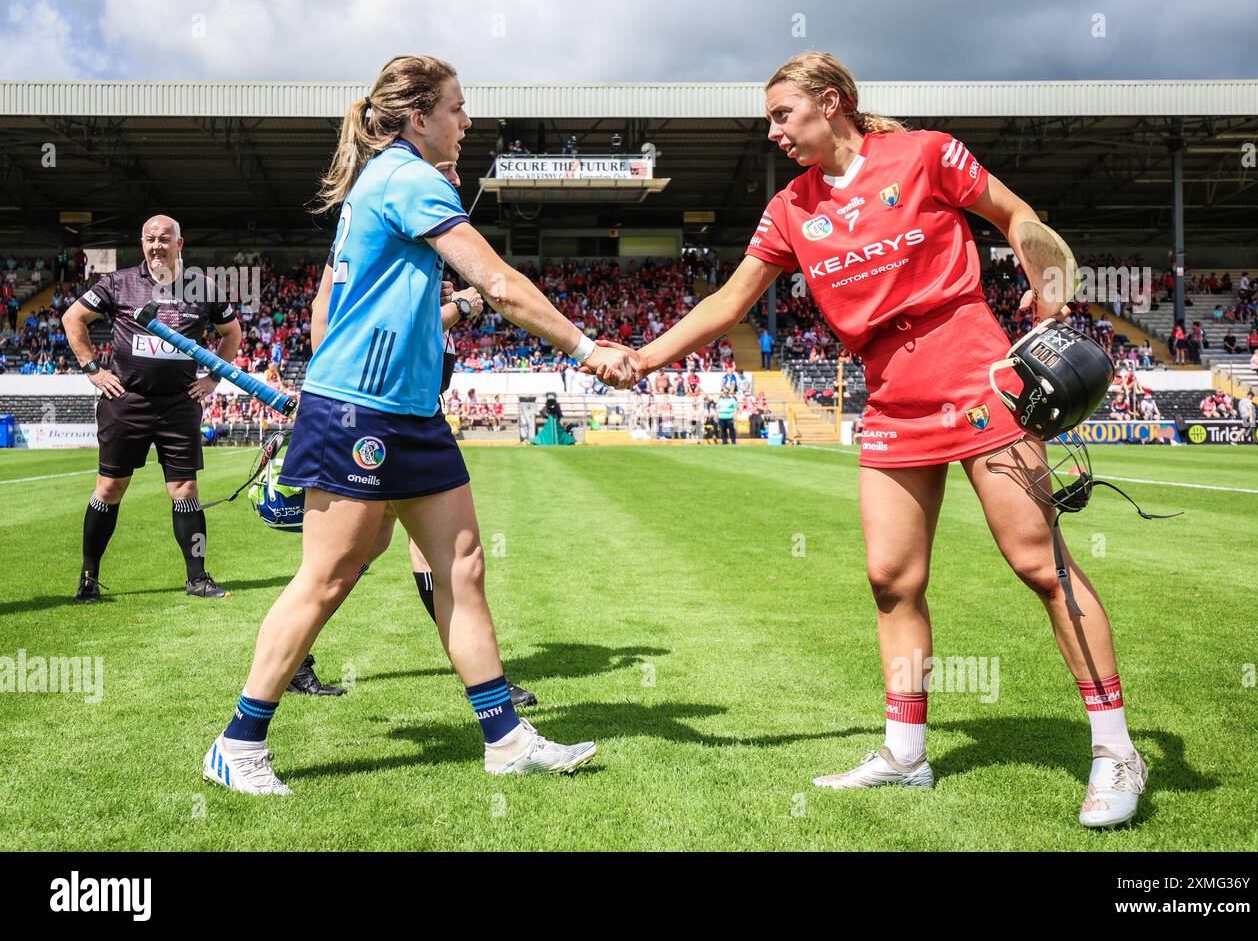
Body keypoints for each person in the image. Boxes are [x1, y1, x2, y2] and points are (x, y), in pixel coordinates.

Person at [596, 51, 1147, 829]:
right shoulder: (792, 206)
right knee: (890, 578)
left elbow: (1018, 217)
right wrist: (644, 357)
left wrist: (1049, 290)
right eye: (769, 122)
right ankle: (905, 753)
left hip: (979, 378)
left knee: (1039, 563)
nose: (775, 133)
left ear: (832, 102)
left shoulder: (924, 153)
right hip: (890, 396)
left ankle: (1117, 750)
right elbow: (729, 300)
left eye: (783, 115)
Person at [201, 55, 632, 795]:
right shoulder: (407, 177)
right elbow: (498, 281)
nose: (467, 123)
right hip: (361, 411)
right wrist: (588, 349)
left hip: (409, 414)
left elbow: (331, 310)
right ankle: (237, 744)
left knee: (460, 566)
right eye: (458, 109)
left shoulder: (393, 182)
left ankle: (504, 738)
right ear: (417, 117)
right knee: (329, 577)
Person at [61, 215, 240, 602]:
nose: (156, 245)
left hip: (179, 405)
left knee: (185, 489)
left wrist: (213, 378)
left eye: (164, 239)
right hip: (126, 402)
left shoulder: (204, 288)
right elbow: (72, 317)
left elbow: (232, 333)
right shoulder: (118, 282)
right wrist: (93, 369)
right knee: (110, 488)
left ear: (180, 243)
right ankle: (89, 578)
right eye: (149, 239)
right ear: (142, 243)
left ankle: (198, 578)